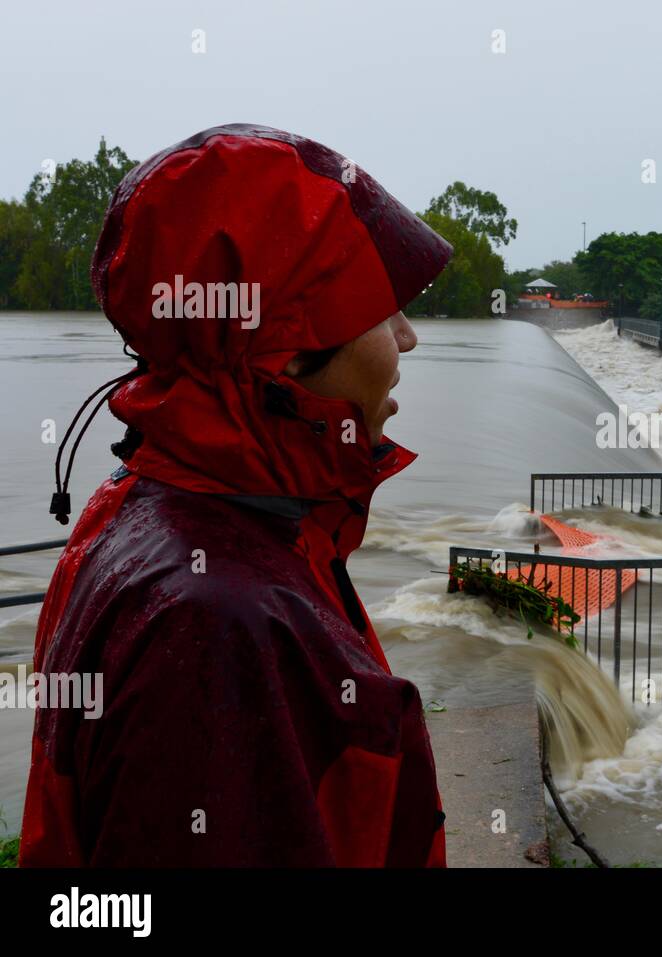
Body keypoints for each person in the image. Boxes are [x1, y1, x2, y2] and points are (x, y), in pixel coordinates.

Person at [20, 124, 454, 867]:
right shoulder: (222, 626)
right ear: (283, 351)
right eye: (380, 309)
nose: (408, 338)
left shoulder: (151, 499)